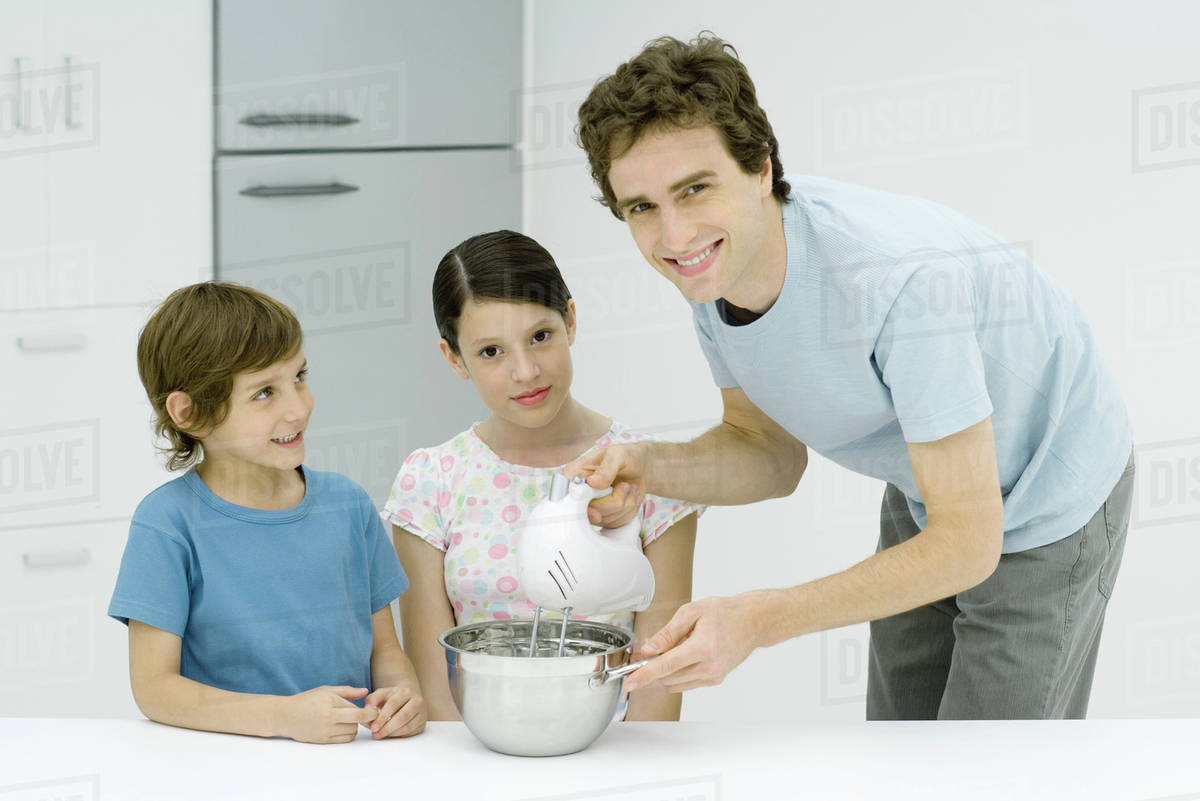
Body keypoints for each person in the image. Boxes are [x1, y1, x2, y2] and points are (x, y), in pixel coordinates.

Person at [567, 33, 1135, 719]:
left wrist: (758, 619)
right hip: (937, 478)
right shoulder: (715, 275)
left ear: (759, 168)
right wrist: (644, 464)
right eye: (642, 208)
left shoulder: (900, 282)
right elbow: (768, 454)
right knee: (897, 746)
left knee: (988, 769)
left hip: (1052, 484)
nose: (674, 235)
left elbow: (967, 544)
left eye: (694, 189)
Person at [381, 229, 703, 721]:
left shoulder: (649, 473)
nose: (526, 371)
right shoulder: (430, 481)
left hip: (614, 759)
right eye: (492, 352)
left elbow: (657, 682)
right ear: (453, 358)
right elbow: (435, 683)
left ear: (570, 320)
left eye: (540, 336)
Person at [108, 282, 426, 743]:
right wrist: (285, 719)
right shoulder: (167, 524)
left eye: (299, 376)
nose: (298, 407)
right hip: (226, 770)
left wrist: (403, 695)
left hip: (351, 764)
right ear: (190, 413)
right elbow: (155, 689)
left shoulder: (349, 505)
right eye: (263, 393)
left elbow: (385, 650)